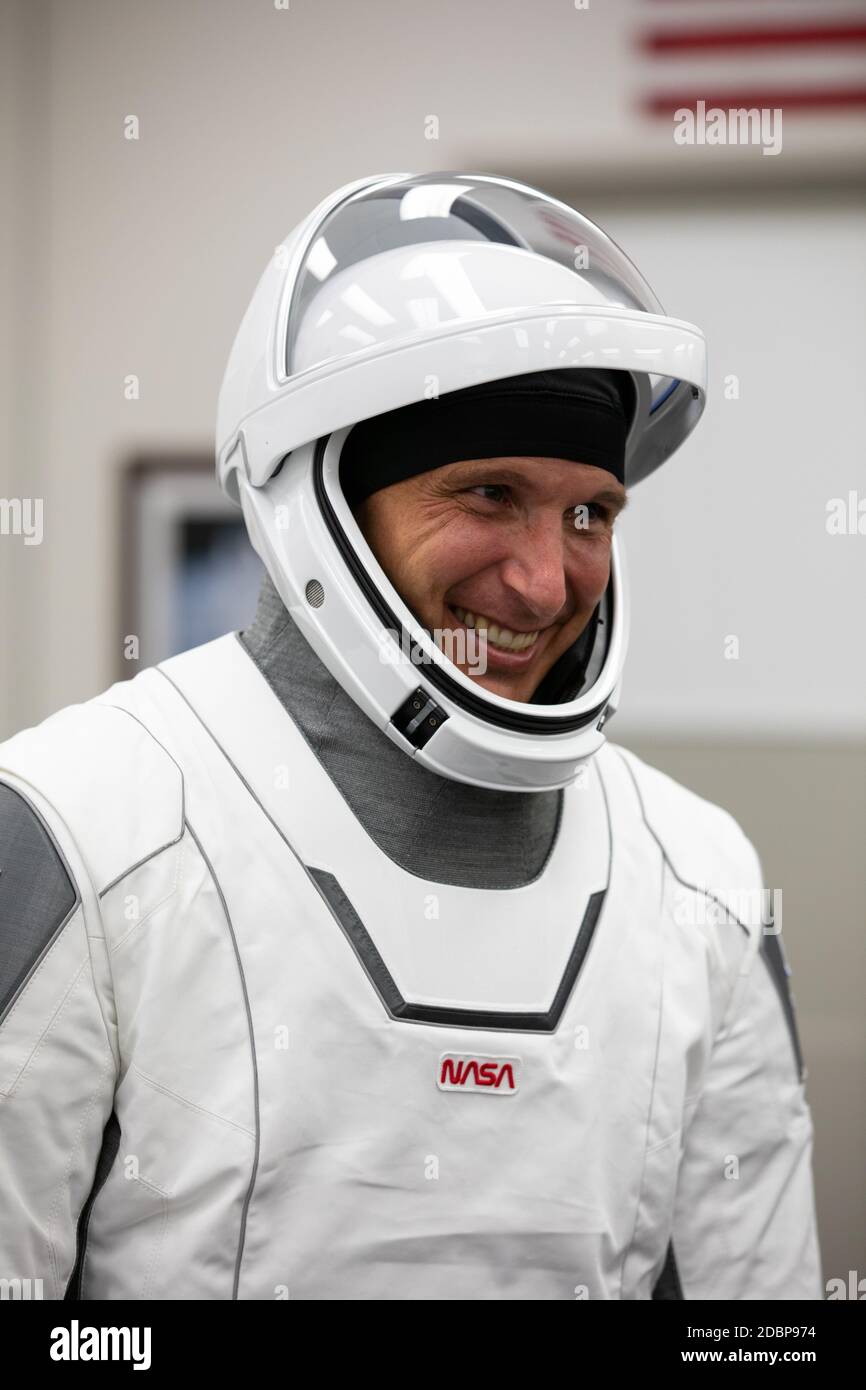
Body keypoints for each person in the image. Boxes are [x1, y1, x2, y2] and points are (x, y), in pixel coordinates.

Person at [0, 172, 821, 1300]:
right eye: (486, 492)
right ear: (320, 502)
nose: (543, 582)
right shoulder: (80, 830)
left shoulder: (700, 881)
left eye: (589, 511)